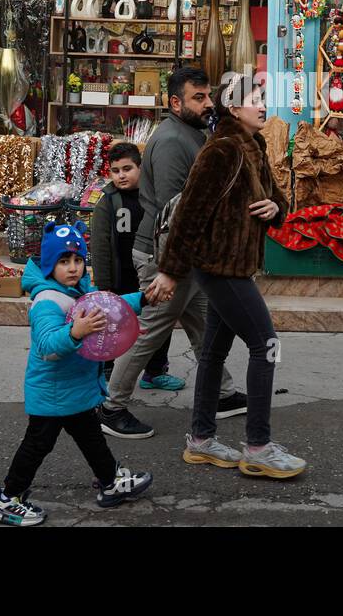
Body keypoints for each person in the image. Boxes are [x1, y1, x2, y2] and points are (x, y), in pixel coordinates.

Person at [148, 74, 306, 480]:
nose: (263, 105)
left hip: (235, 267)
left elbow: (278, 200)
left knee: (213, 353)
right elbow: (188, 216)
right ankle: (257, 447)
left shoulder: (253, 146)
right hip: (218, 268)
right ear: (233, 108)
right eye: (256, 99)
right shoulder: (220, 151)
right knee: (265, 344)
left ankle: (200, 441)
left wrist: (275, 208)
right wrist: (169, 272)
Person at [98, 68, 247, 439]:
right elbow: (173, 210)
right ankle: (111, 407)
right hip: (164, 255)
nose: (209, 103)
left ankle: (222, 394)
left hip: (184, 254)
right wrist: (174, 268)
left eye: (209, 95)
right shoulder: (169, 142)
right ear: (176, 102)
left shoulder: (192, 133)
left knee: (200, 322)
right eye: (199, 97)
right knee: (149, 330)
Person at [0, 223, 156, 525]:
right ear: (50, 265)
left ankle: (110, 482)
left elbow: (111, 306)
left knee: (92, 438)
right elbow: (47, 347)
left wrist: (142, 300)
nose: (73, 268)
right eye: (64, 262)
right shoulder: (47, 301)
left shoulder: (80, 291)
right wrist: (75, 332)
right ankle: (7, 498)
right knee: (37, 445)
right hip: (52, 393)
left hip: (75, 388)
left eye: (78, 260)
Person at [89, 143, 177, 389]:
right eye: (115, 170)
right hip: (119, 278)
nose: (121, 175)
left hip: (150, 275)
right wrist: (103, 285)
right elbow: (100, 245)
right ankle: (108, 370)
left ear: (141, 168)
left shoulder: (154, 197)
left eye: (127, 168)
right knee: (113, 327)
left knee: (158, 324)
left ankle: (155, 371)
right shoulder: (108, 202)